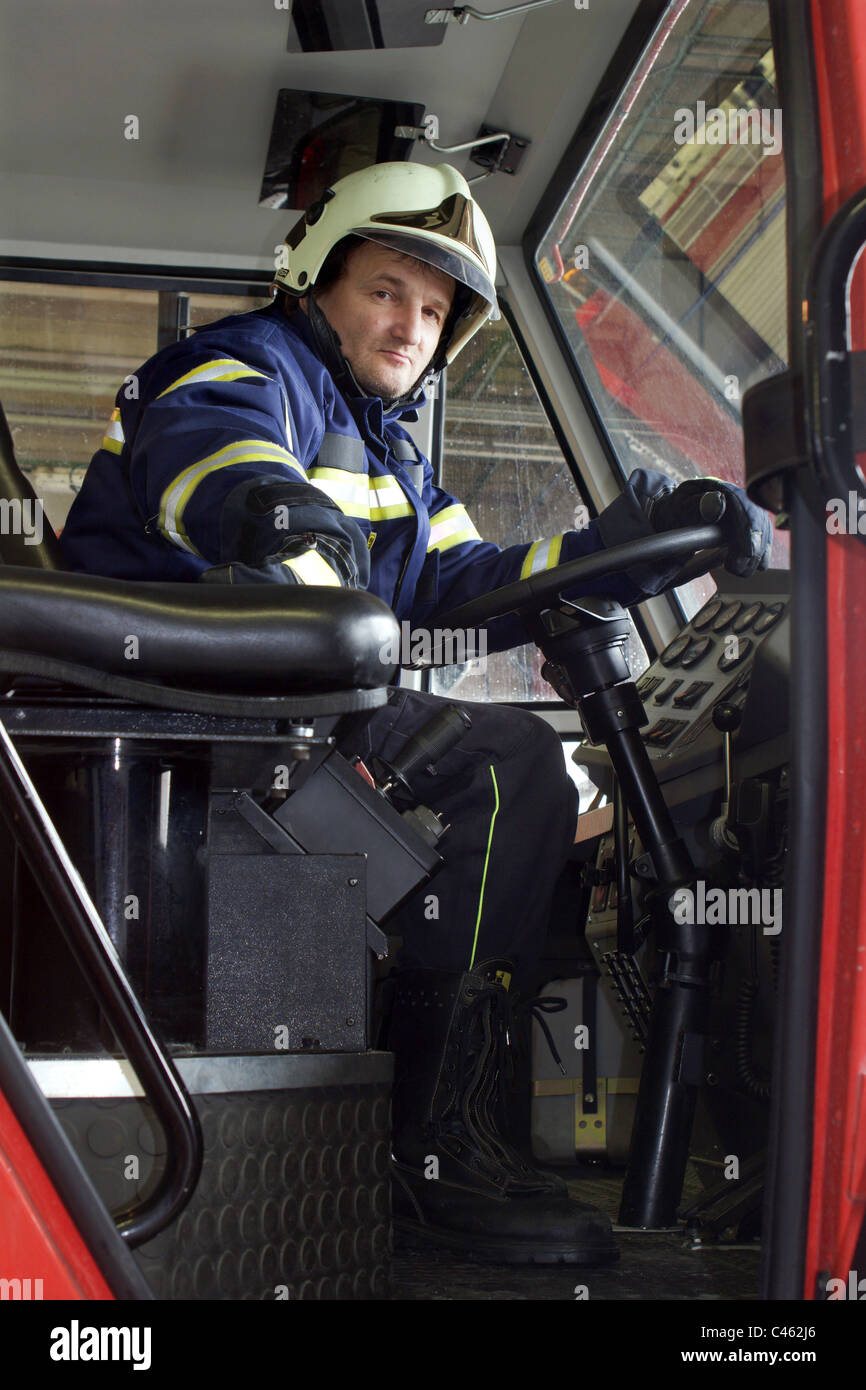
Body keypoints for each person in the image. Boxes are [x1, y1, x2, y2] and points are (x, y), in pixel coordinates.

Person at [60, 161, 772, 1265]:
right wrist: (277, 510)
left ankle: (448, 1129)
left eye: (434, 311)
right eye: (388, 290)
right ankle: (433, 1147)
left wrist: (617, 554)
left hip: (272, 723)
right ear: (318, 279)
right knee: (507, 765)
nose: (410, 324)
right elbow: (208, 449)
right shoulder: (250, 363)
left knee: (506, 766)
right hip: (183, 724)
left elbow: (467, 581)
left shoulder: (391, 453)